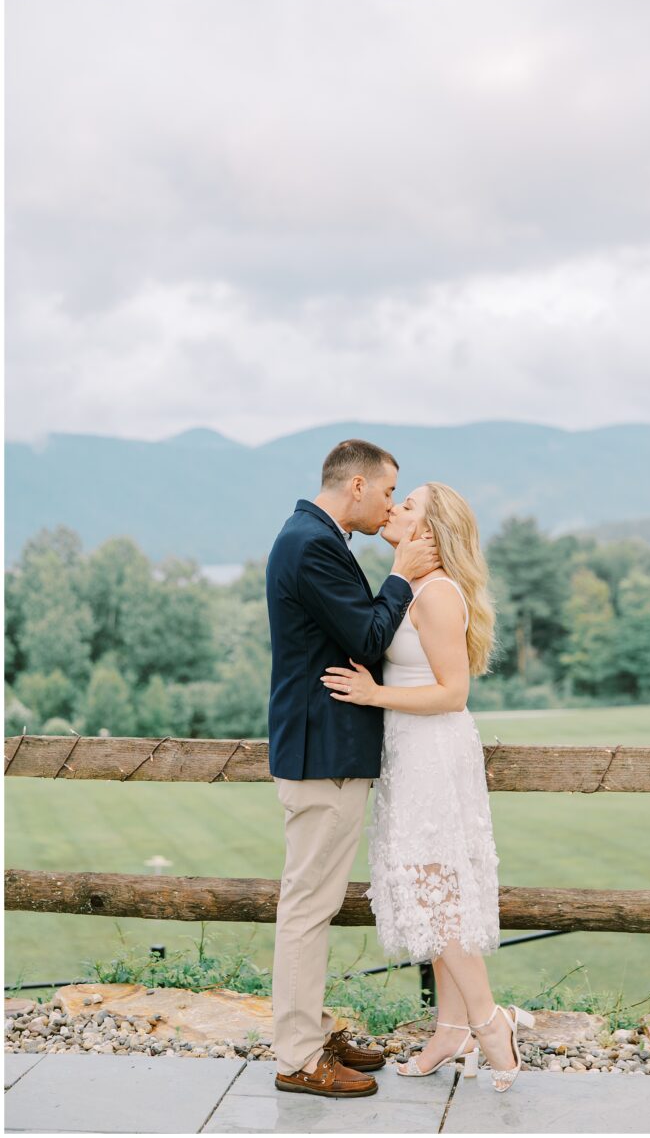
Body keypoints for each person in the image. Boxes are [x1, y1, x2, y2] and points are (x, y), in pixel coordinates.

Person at [321, 481, 536, 1093]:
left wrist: (373, 693)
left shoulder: (438, 594)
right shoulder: (409, 589)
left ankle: (490, 1022)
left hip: (433, 754)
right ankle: (449, 1029)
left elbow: (453, 692)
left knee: (438, 900)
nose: (393, 510)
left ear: (431, 531)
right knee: (432, 895)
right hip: (407, 751)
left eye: (407, 505)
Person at [266, 439, 439, 1098]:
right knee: (309, 908)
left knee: (315, 903)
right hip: (322, 752)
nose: (393, 503)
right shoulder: (310, 543)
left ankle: (311, 1032)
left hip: (325, 750)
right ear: (358, 486)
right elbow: (368, 635)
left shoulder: (312, 537)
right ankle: (300, 1058)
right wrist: (400, 573)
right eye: (390, 492)